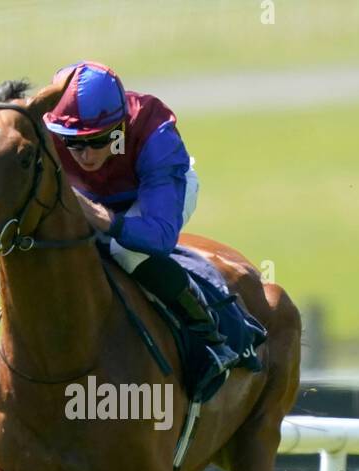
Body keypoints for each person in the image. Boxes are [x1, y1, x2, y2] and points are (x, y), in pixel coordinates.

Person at [42, 60, 226, 345]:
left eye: (98, 140)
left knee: (124, 251)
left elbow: (160, 236)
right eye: (73, 143)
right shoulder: (47, 132)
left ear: (119, 128)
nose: (86, 155)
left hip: (156, 194)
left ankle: (203, 325)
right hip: (94, 197)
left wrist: (104, 219)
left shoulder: (154, 133)